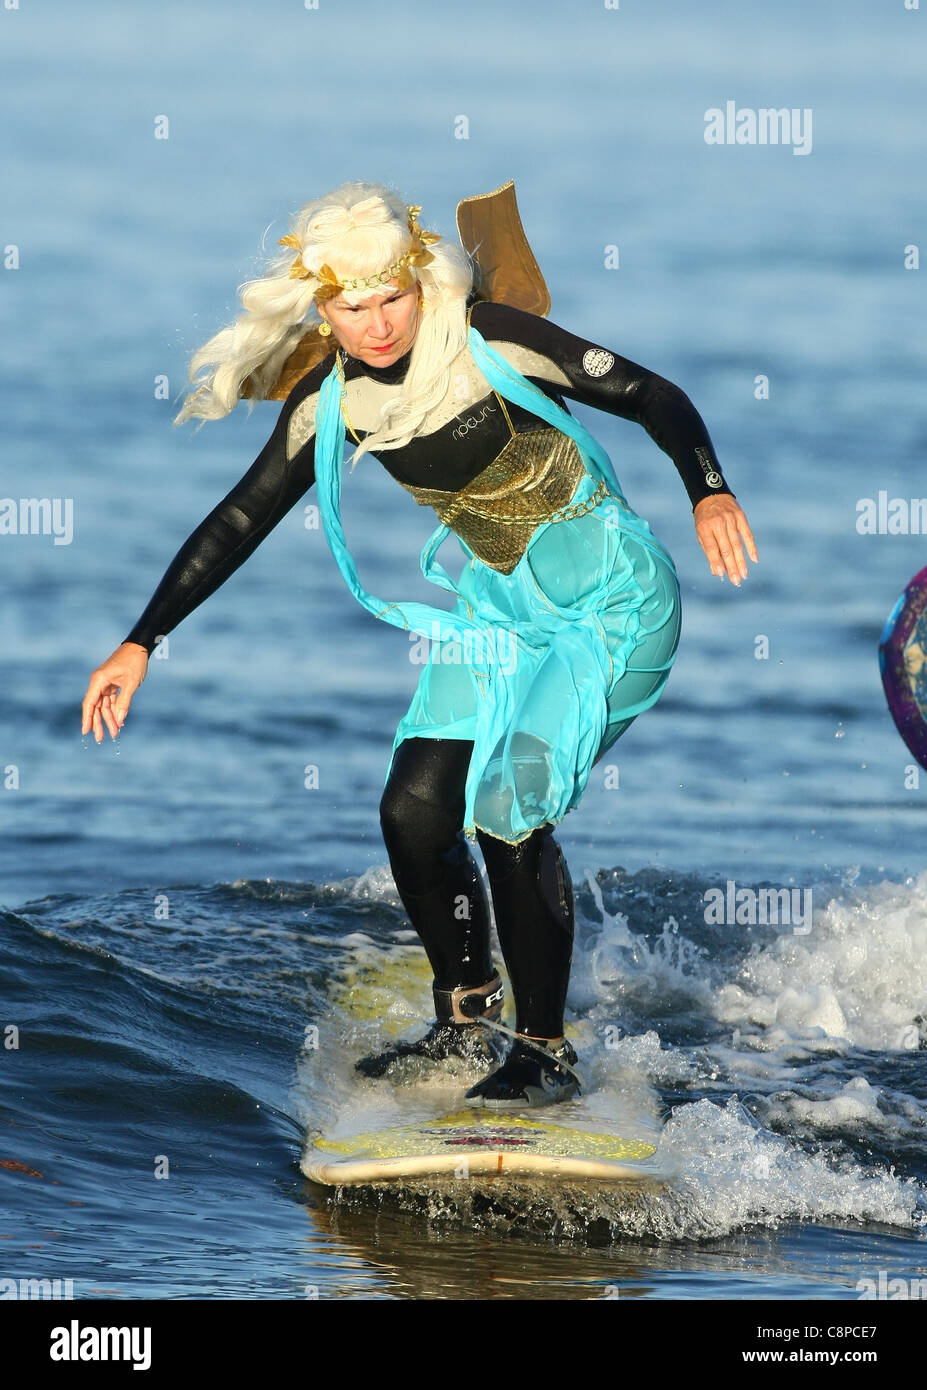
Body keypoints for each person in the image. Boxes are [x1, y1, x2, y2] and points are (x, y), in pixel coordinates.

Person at [81, 181, 757, 1108]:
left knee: (509, 801)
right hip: (497, 614)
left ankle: (545, 1052)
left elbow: (648, 393)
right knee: (414, 811)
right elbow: (239, 517)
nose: (378, 326)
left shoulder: (488, 337)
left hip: (610, 603)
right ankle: (462, 1014)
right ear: (324, 311)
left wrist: (707, 488)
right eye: (352, 310)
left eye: (391, 300)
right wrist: (140, 641)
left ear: (419, 282)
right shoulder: (334, 403)